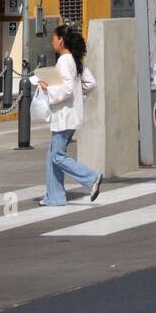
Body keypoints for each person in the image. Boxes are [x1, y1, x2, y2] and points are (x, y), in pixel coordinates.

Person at [37, 24, 102, 207]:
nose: (52, 42)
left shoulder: (64, 61)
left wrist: (47, 88)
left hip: (65, 116)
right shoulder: (74, 60)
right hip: (71, 115)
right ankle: (55, 196)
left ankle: (91, 178)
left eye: (54, 38)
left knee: (57, 156)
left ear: (61, 40)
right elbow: (90, 83)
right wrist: (76, 92)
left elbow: (65, 89)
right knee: (52, 155)